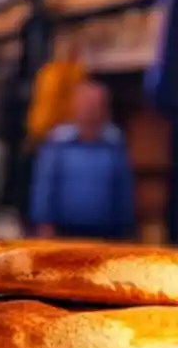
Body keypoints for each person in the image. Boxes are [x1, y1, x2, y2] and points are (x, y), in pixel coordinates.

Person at [30, 81, 136, 240]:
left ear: (105, 109)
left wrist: (126, 228)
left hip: (106, 235)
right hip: (63, 233)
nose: (90, 110)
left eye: (95, 105)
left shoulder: (115, 144)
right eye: (86, 104)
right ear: (75, 107)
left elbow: (123, 189)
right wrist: (44, 223)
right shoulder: (58, 143)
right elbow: (45, 186)